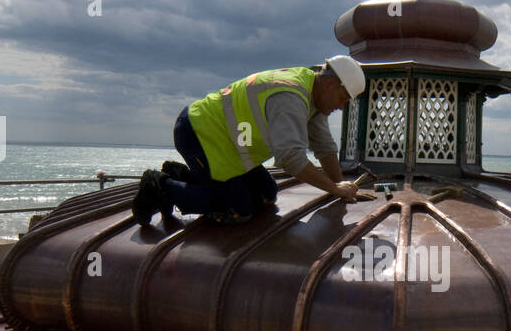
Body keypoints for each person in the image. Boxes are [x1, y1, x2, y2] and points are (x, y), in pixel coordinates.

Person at [132, 56, 368, 226]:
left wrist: (343, 189)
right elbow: (291, 159)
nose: (341, 106)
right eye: (343, 98)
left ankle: (184, 176)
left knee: (266, 194)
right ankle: (161, 186)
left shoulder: (312, 96)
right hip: (200, 134)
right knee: (238, 209)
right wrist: (335, 188)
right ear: (329, 84)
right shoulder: (291, 98)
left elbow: (324, 147)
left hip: (228, 145)